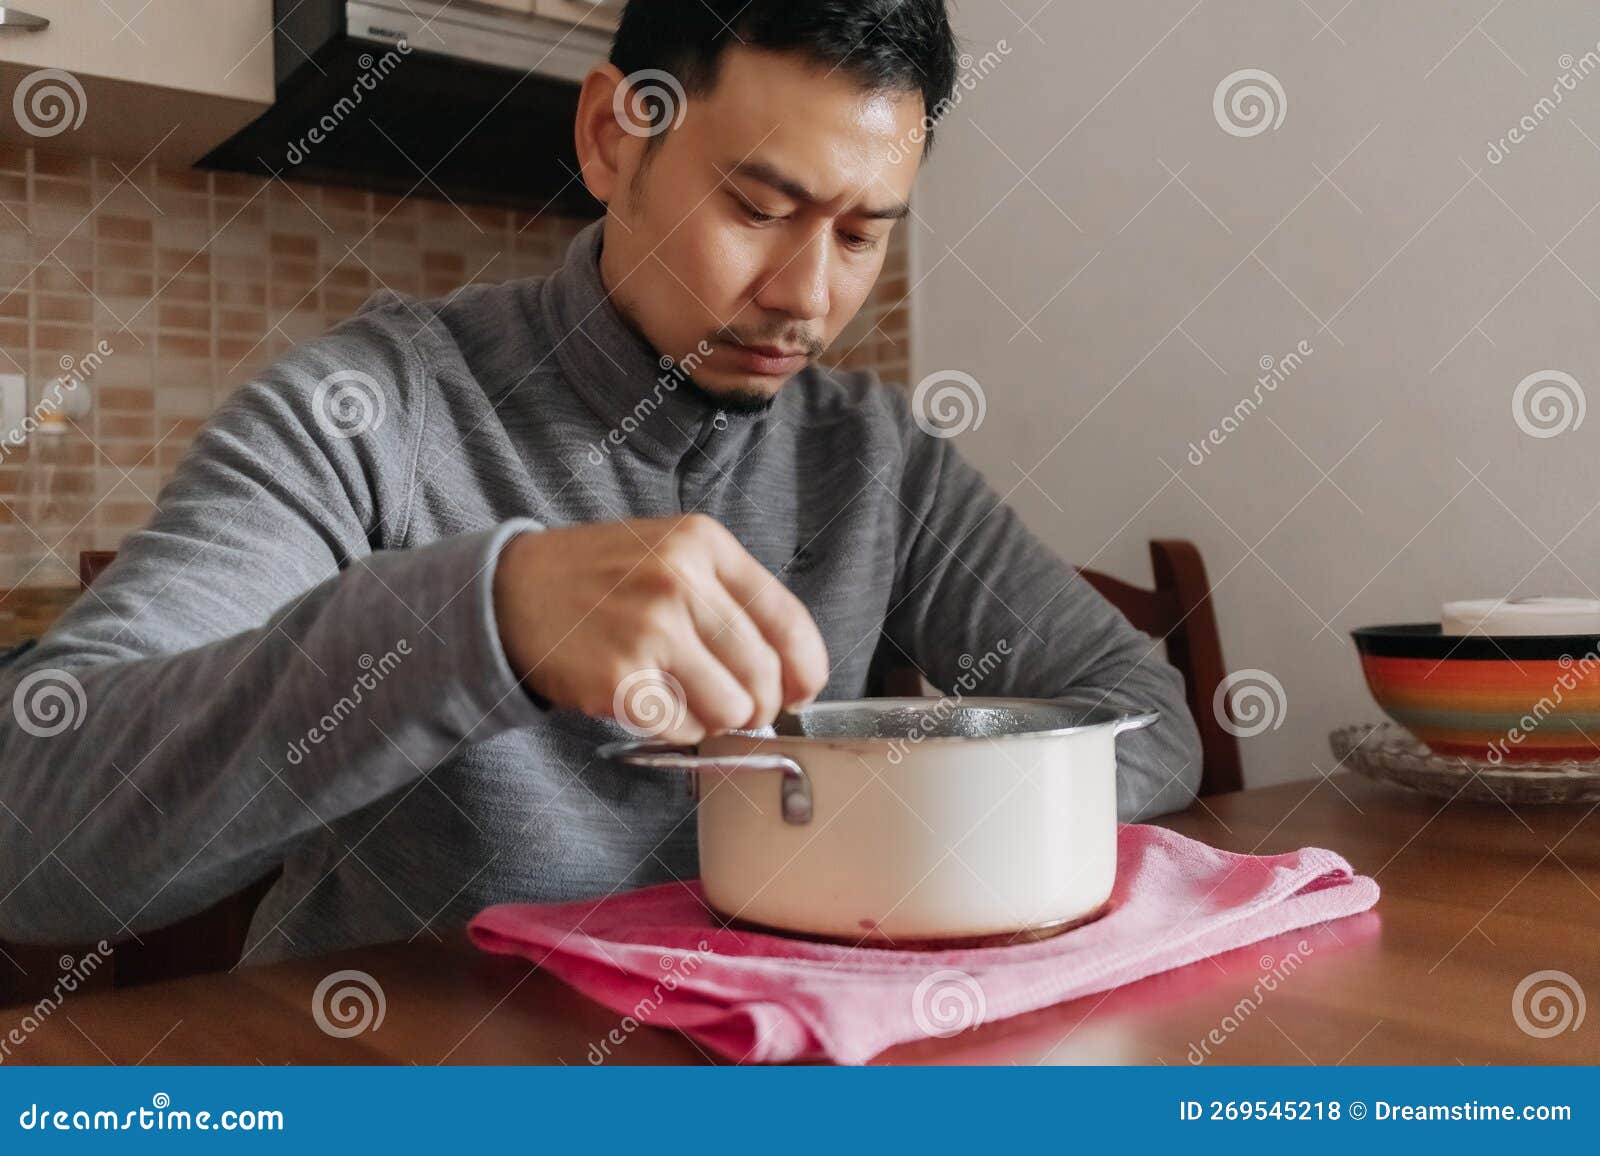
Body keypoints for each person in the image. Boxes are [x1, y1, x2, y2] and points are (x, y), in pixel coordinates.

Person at [0, 0, 1201, 963]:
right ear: (611, 137)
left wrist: (901, 815)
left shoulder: (874, 455)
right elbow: (31, 838)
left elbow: (1135, 710)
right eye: (757, 207)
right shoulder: (364, 415)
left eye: (858, 235)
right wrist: (488, 614)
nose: (805, 296)